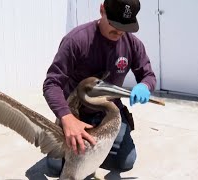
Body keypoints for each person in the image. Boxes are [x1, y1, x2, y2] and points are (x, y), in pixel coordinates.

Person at [26, 0, 156, 179]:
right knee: (56, 167)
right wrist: (67, 118)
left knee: (126, 161)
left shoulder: (132, 44)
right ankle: (84, 153)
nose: (119, 32)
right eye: (114, 24)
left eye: (125, 27)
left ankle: (92, 156)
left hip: (109, 113)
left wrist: (144, 85)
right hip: (77, 113)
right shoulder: (76, 41)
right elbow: (52, 83)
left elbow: (148, 75)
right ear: (102, 10)